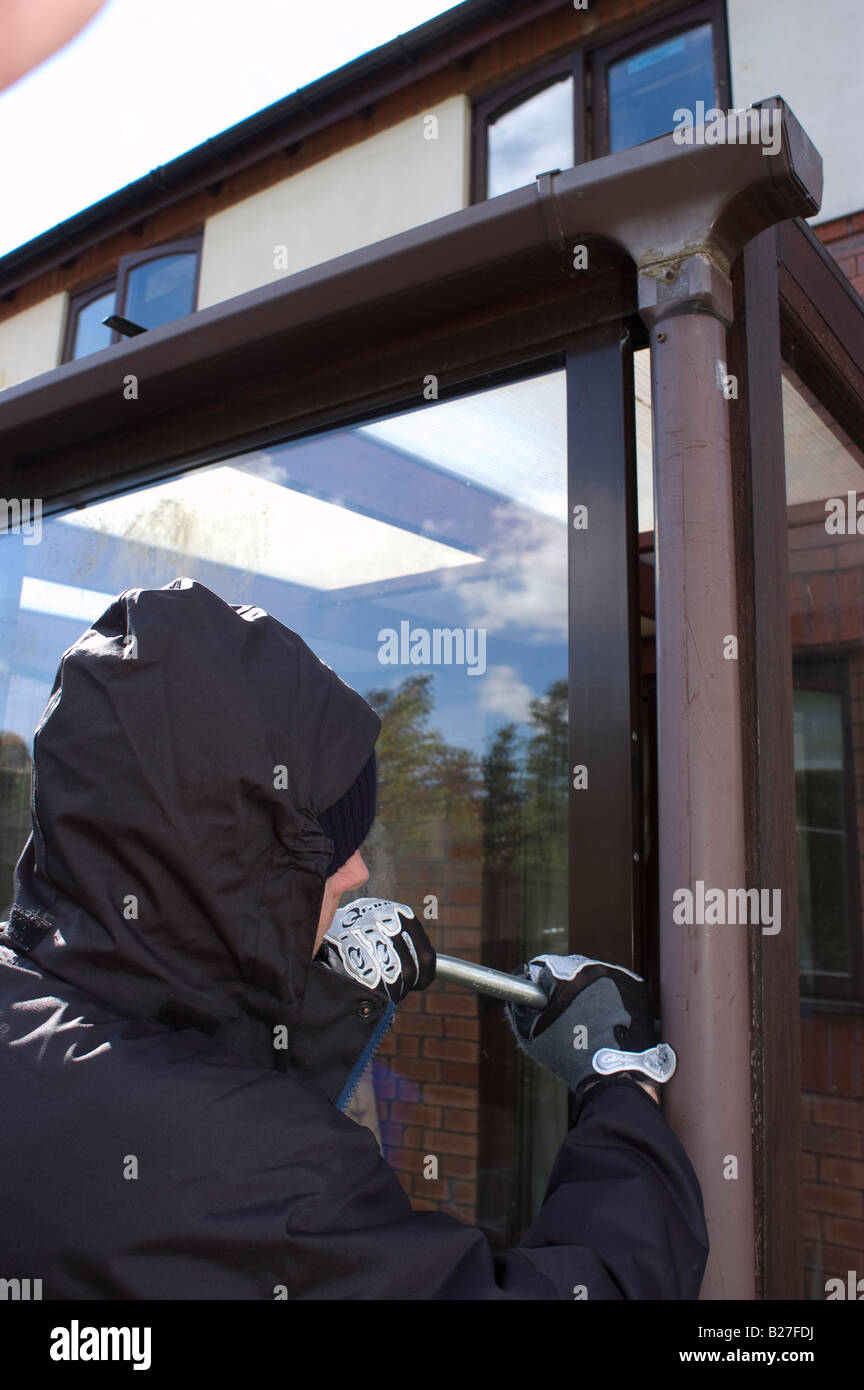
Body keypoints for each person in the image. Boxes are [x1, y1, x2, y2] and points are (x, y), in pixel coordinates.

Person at [0, 578, 708, 1299]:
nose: (360, 869)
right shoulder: (269, 1181)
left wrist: (304, 1015)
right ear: (230, 873)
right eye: (323, 845)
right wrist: (620, 1087)